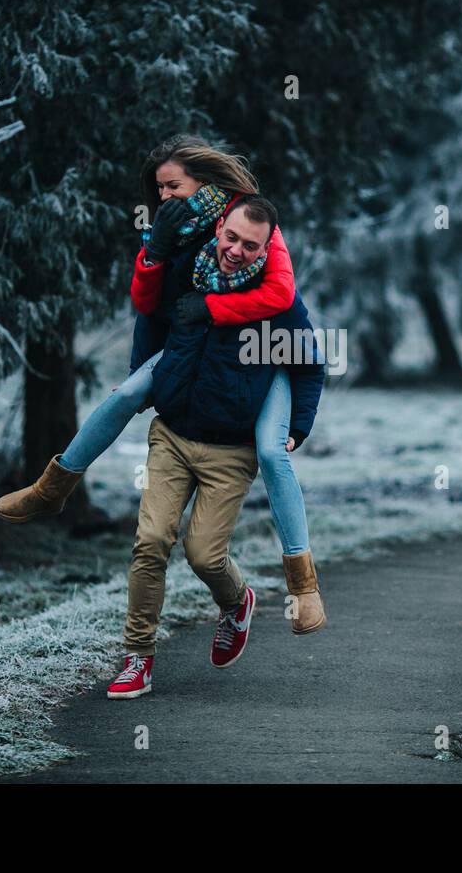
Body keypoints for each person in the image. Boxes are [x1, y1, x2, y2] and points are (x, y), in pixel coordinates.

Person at [0, 135, 324, 632]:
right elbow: (149, 310)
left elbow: (284, 301)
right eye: (159, 188)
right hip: (194, 354)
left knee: (274, 452)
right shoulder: (181, 236)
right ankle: (51, 487)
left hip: (263, 359)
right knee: (125, 395)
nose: (164, 195)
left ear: (203, 184)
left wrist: (298, 421)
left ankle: (303, 585)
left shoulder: (246, 220)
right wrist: (144, 365)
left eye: (173, 185)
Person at [106, 196, 326, 699]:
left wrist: (299, 427)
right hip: (173, 435)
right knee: (150, 541)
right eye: (231, 237)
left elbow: (310, 365)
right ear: (218, 229)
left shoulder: (280, 304)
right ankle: (137, 657)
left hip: (231, 452)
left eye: (251, 246)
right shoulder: (190, 273)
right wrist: (142, 382)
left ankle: (236, 602)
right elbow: (149, 317)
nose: (236, 251)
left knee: (203, 555)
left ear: (267, 249)